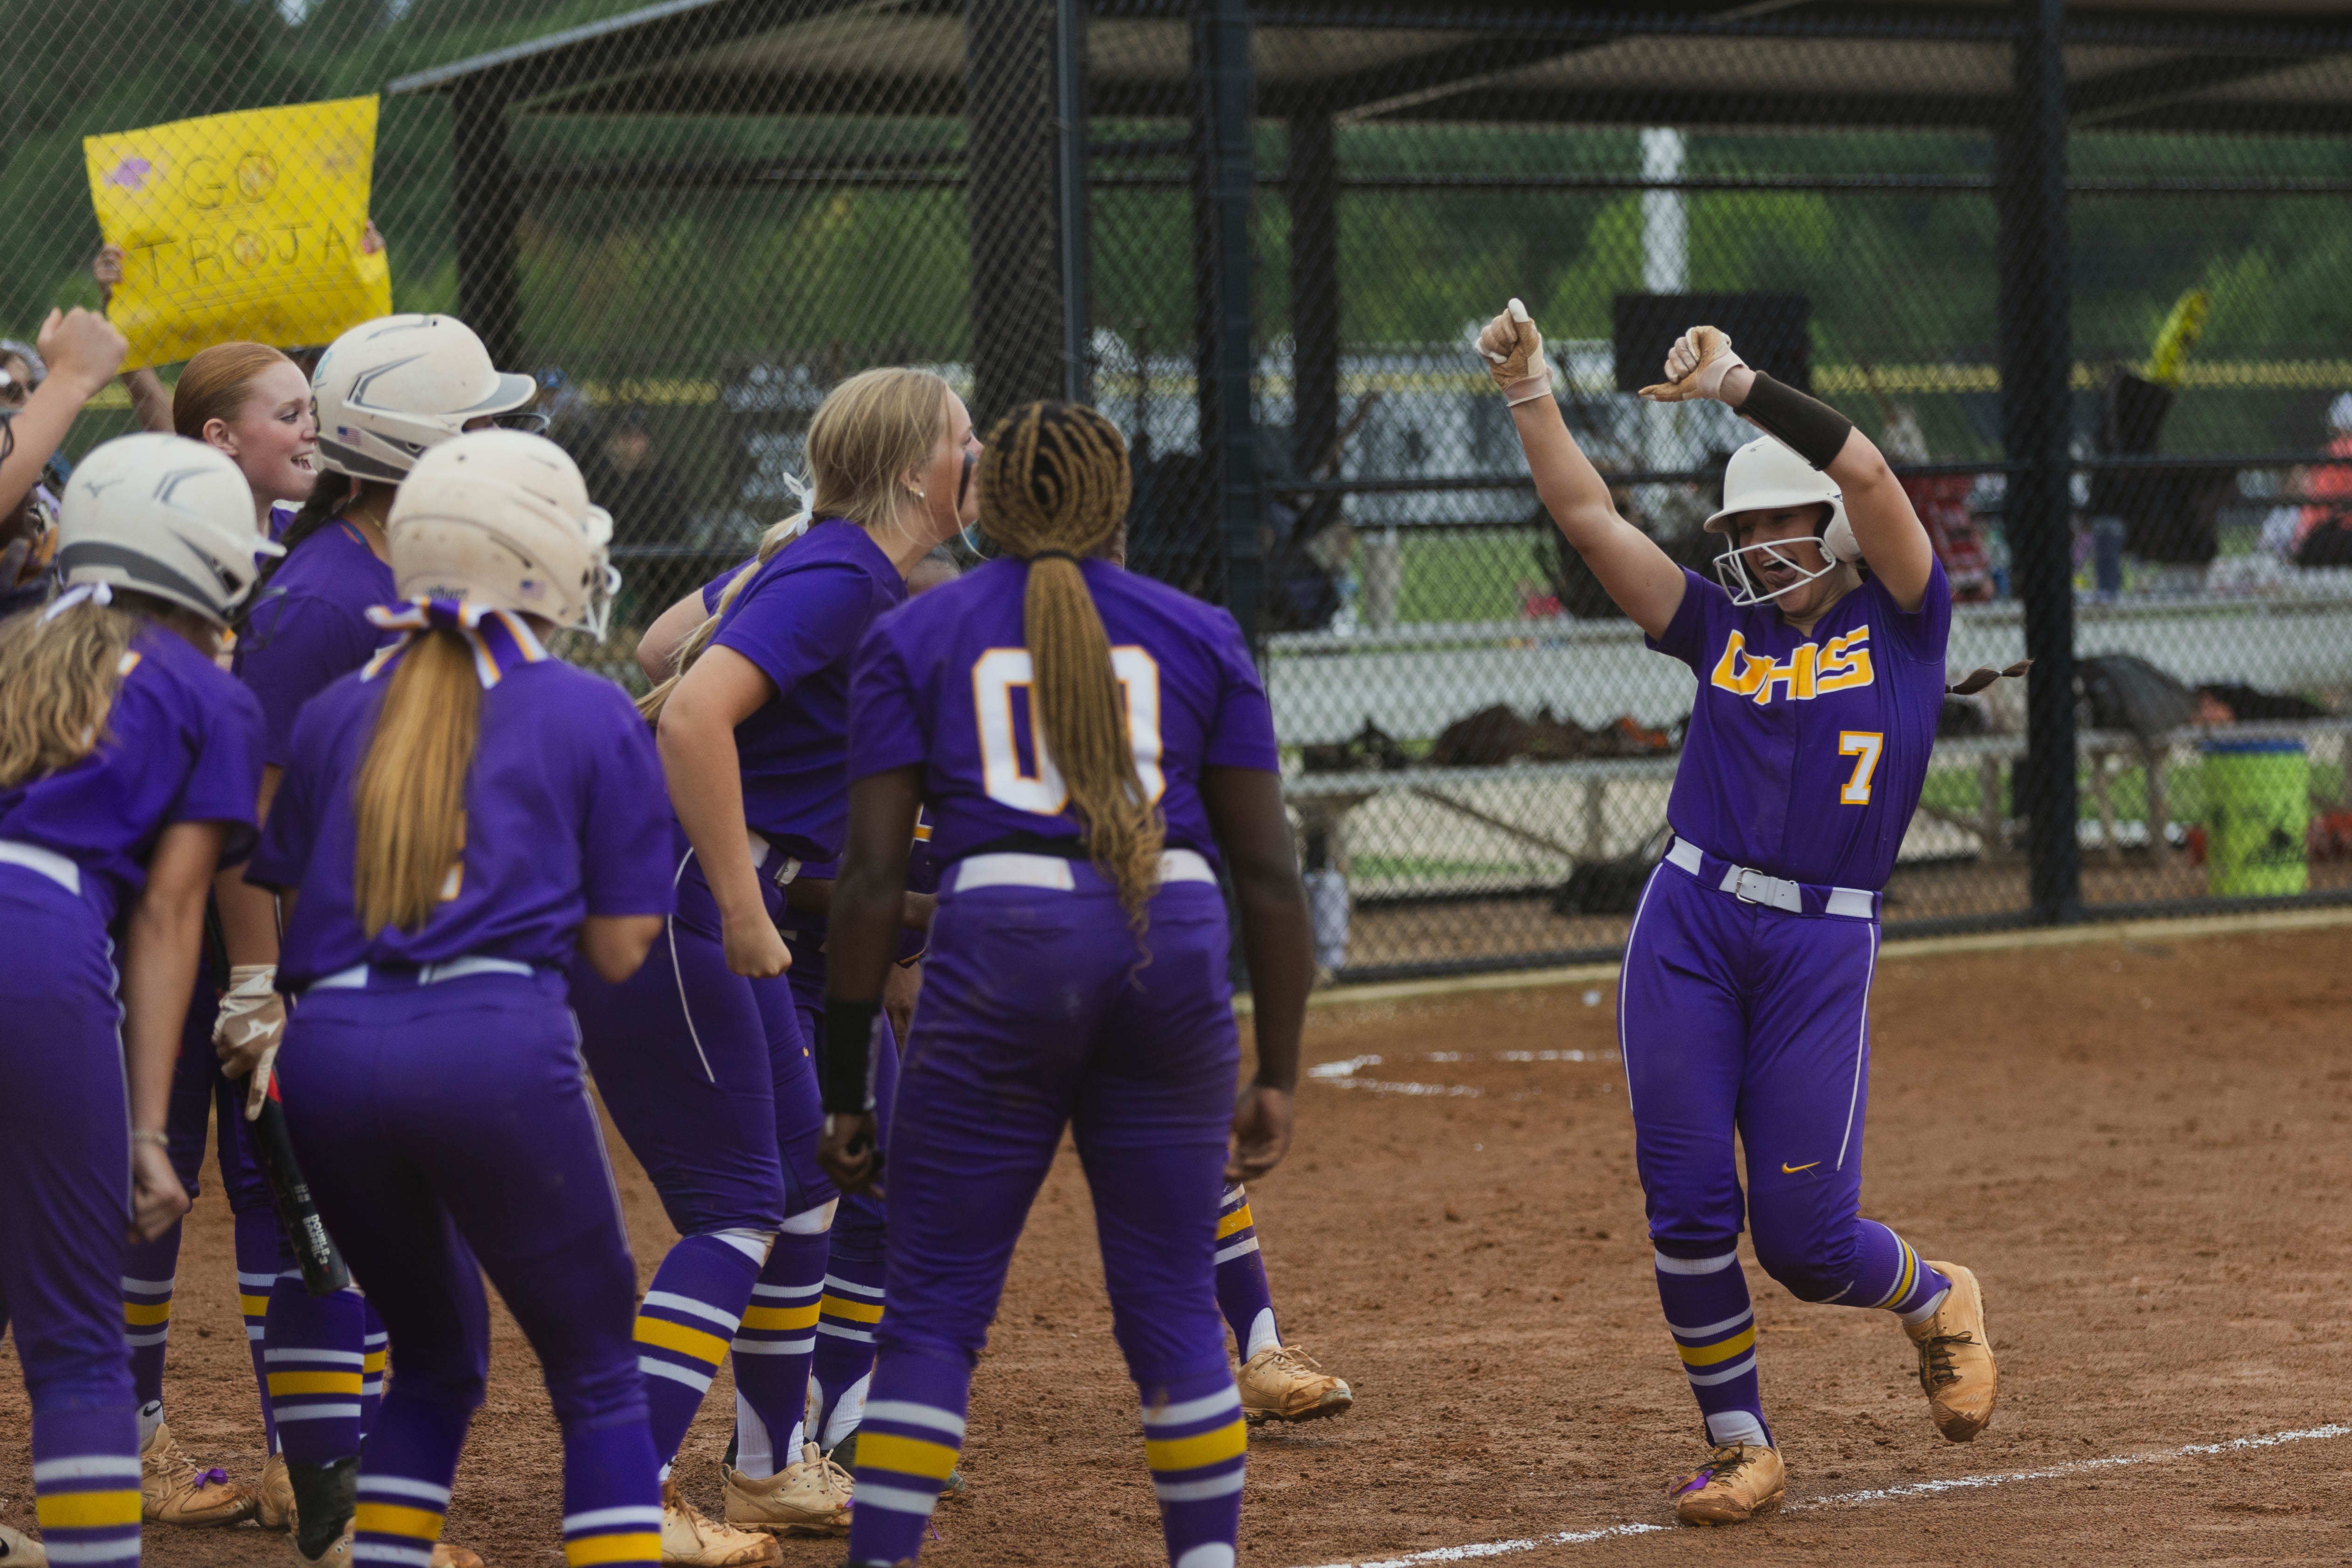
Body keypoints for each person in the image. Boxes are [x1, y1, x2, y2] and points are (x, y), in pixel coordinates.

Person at [1476, 301, 1997, 1525]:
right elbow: (1588, 517)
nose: (1755, 547)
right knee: (1685, 1197)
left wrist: (1735, 386)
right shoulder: (1723, 628)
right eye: (1739, 527)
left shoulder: (1905, 620)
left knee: (1808, 1241)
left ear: (1826, 524)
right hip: (1690, 922)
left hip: (1821, 939)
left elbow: (1866, 465)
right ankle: (1737, 1440)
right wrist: (1527, 389)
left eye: (1775, 522)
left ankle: (1933, 1296)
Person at [815, 399, 1315, 1568]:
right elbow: (1271, 878)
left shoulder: (919, 632)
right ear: (1118, 503)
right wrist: (1278, 1070)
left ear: (981, 502)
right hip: (1170, 942)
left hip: (999, 946)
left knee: (935, 1312)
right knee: (1173, 1311)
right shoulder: (1200, 630)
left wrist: (847, 1082)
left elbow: (873, 879)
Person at [239, 431, 667, 1568]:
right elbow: (624, 951)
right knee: (596, 1373)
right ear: (537, 556)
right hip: (490, 1041)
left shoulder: (339, 711)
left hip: (325, 1051)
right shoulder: (584, 708)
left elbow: (282, 877)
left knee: (432, 1361)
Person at [572, 366, 977, 1563]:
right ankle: (625, 1489)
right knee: (742, 1206)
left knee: (809, 1183)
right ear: (913, 468)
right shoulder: (849, 571)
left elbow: (666, 649)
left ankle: (764, 1468)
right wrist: (748, 913)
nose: (978, 460)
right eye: (963, 441)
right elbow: (691, 711)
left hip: (688, 890)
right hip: (681, 899)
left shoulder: (833, 559)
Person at [215, 312, 535, 1560]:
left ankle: (346, 1498)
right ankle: (337, 1508)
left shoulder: (404, 566)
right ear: (413, 443)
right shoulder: (321, 600)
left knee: (371, 1223)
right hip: (313, 960)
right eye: (477, 425)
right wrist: (256, 981)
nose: (498, 443)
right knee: (322, 1224)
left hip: (396, 955)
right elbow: (246, 805)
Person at [0, 433, 271, 1568]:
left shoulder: (17, 642)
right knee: (75, 1341)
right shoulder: (212, 690)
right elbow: (170, 916)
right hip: (37, 931)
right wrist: (149, 1131)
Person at [108, 340, 332, 1535]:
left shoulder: (297, 560)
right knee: (142, 1180)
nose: (313, 428)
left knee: (268, 1178)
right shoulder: (176, 566)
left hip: (246, 920)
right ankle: (135, 1433)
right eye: (289, 410)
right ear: (217, 442)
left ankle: (301, 1453)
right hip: (158, 918)